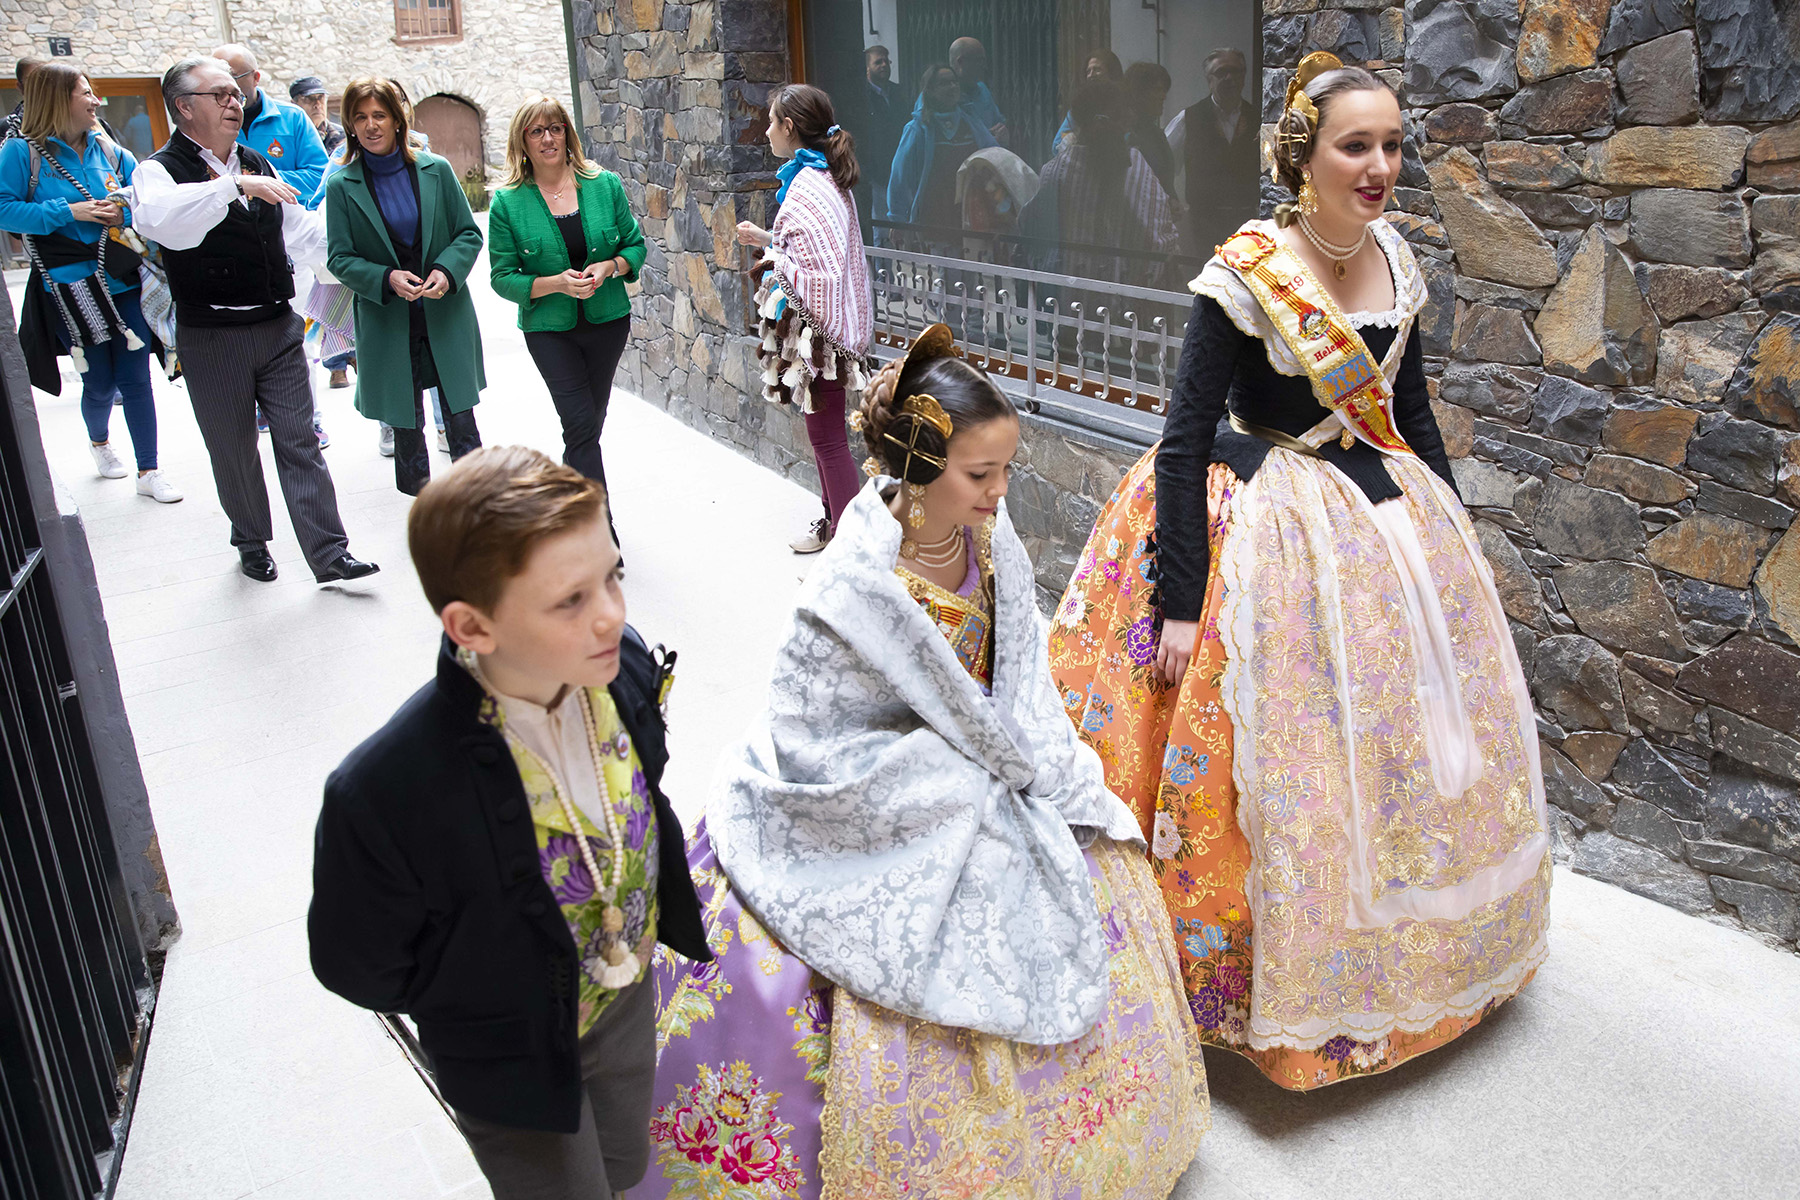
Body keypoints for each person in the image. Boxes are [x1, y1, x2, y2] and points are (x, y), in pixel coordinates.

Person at [1048, 54, 1550, 1090]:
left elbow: (1407, 418)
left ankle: (1432, 957)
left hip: (1380, 524)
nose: (1378, 167)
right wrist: (1179, 604)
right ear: (1304, 155)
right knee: (1288, 761)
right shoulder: (1248, 270)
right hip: (1267, 530)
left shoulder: (1396, 260)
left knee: (1411, 746)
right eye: (1354, 146)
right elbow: (1184, 442)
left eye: (1392, 145)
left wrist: (1449, 532)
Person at [635, 324, 1209, 1196]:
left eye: (1007, 471)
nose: (1000, 492)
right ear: (916, 464)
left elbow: (1016, 666)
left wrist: (1021, 757)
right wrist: (951, 779)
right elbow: (815, 731)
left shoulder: (987, 535)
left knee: (1086, 848)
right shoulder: (851, 585)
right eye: (982, 475)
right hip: (886, 794)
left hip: (987, 763)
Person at [309, 445, 710, 1200]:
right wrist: (479, 990)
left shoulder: (614, 665)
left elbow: (644, 778)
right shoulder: (387, 790)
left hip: (624, 1003)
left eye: (613, 575)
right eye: (571, 600)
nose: (613, 614)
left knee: (623, 1162)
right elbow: (357, 962)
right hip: (514, 1048)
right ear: (472, 625)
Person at [129, 56, 377, 584]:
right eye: (218, 95)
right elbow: (162, 222)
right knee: (234, 448)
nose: (233, 102)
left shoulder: (256, 163)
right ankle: (251, 540)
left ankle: (330, 552)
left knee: (300, 442)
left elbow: (303, 234)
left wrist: (370, 267)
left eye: (235, 94)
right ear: (183, 108)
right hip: (212, 336)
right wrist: (232, 187)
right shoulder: (157, 171)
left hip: (277, 327)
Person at [0, 61, 181, 503]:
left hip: (122, 282)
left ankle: (149, 469)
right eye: (86, 93)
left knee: (137, 378)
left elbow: (146, 205)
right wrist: (68, 212)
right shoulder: (20, 153)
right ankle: (99, 442)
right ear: (59, 100)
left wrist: (124, 212)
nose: (96, 101)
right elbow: (4, 209)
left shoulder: (112, 151)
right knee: (99, 383)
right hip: (66, 289)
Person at [488, 95, 642, 548]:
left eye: (555, 127)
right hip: (549, 330)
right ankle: (600, 538)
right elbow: (502, 277)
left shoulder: (603, 185)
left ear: (567, 133)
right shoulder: (508, 203)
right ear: (523, 142)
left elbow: (634, 247)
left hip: (608, 322)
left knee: (586, 428)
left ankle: (566, 504)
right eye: (537, 131)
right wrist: (555, 283)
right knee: (579, 424)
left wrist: (609, 268)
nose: (548, 138)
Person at [324, 76, 485, 497]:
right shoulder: (341, 184)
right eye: (360, 117)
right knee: (406, 425)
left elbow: (467, 234)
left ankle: (482, 507)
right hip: (387, 319)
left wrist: (447, 272)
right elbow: (339, 258)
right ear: (350, 126)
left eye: (380, 115)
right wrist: (385, 278)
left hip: (444, 311)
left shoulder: (438, 170)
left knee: (461, 419)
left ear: (399, 120)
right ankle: (425, 513)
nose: (371, 125)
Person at [734, 84, 873, 555]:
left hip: (824, 336)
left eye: (772, 122)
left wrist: (773, 258)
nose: (767, 130)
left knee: (828, 438)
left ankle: (854, 550)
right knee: (823, 433)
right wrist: (770, 239)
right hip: (823, 332)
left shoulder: (811, 183)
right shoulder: (818, 175)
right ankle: (835, 521)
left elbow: (821, 274)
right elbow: (812, 248)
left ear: (790, 127)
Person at [1024, 79, 1178, 288]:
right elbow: (1158, 238)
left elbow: (1033, 228)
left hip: (1069, 295)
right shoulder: (1135, 166)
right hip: (1124, 299)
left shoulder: (1054, 170)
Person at [887, 62, 995, 249]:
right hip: (934, 216)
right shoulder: (918, 129)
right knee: (945, 274)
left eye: (954, 82)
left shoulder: (971, 122)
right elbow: (900, 176)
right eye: (944, 83)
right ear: (930, 90)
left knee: (969, 273)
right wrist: (896, 219)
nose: (952, 87)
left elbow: (993, 155)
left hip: (969, 215)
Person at [1166, 48, 1257, 257]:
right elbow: (1164, 164)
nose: (1229, 78)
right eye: (1221, 72)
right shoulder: (1189, 118)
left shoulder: (1258, 118)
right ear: (1209, 79)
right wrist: (1173, 201)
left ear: (1244, 76)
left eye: (1236, 71)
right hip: (1203, 226)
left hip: (1248, 226)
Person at [210, 44, 329, 198]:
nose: (223, 85)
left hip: (288, 218)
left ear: (255, 78)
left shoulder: (292, 118)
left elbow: (320, 177)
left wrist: (262, 181)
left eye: (232, 77)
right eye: (216, 77)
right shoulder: (207, 123)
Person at [856, 45, 906, 227]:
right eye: (878, 62)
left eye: (887, 61)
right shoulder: (861, 96)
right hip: (877, 172)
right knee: (882, 227)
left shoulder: (899, 92)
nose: (884, 65)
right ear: (867, 67)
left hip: (899, 165)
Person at [1053, 48, 1123, 152]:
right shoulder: (1080, 107)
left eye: (1097, 70)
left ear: (1112, 72)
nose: (1091, 75)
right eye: (1088, 71)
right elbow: (1056, 145)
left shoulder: (1123, 105)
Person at [288, 75, 344, 157]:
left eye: (321, 98)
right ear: (294, 104)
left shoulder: (342, 136)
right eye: (308, 99)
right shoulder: (288, 136)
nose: (317, 105)